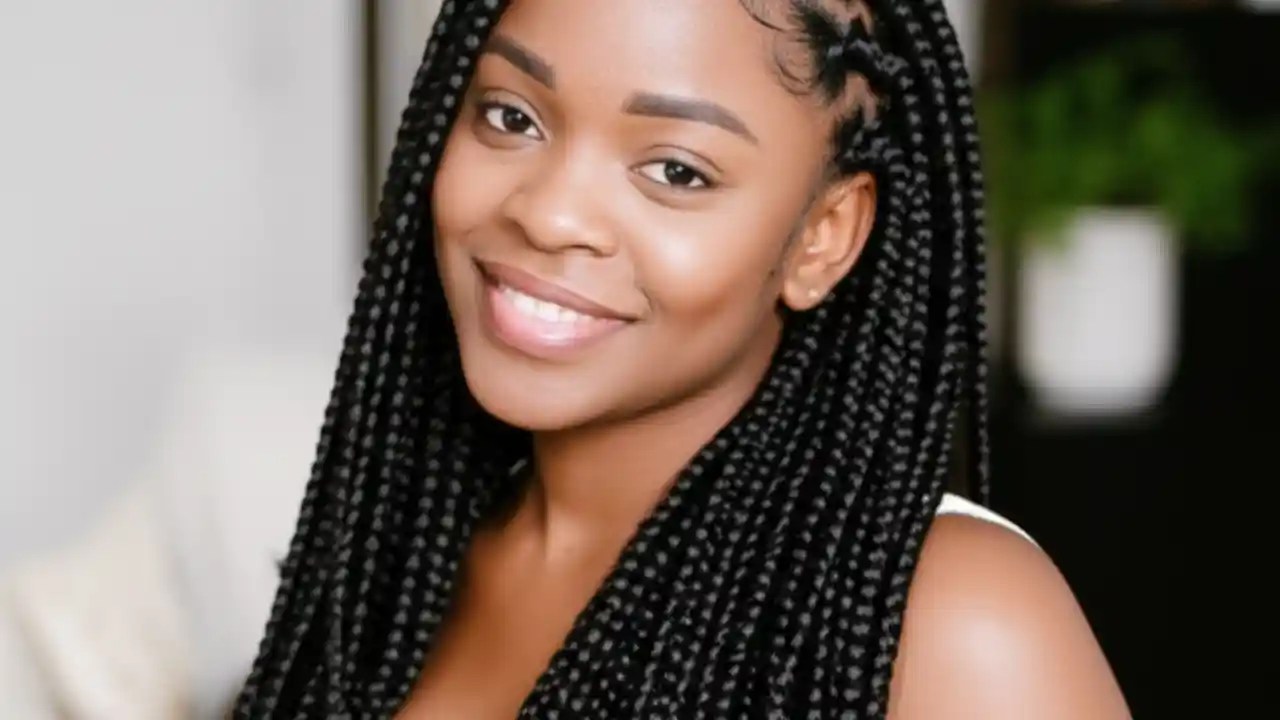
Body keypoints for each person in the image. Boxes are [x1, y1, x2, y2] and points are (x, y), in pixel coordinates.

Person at [235, 1, 1132, 718]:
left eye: (675, 172)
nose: (549, 215)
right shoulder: (390, 565)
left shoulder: (954, 627)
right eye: (510, 116)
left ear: (823, 237)